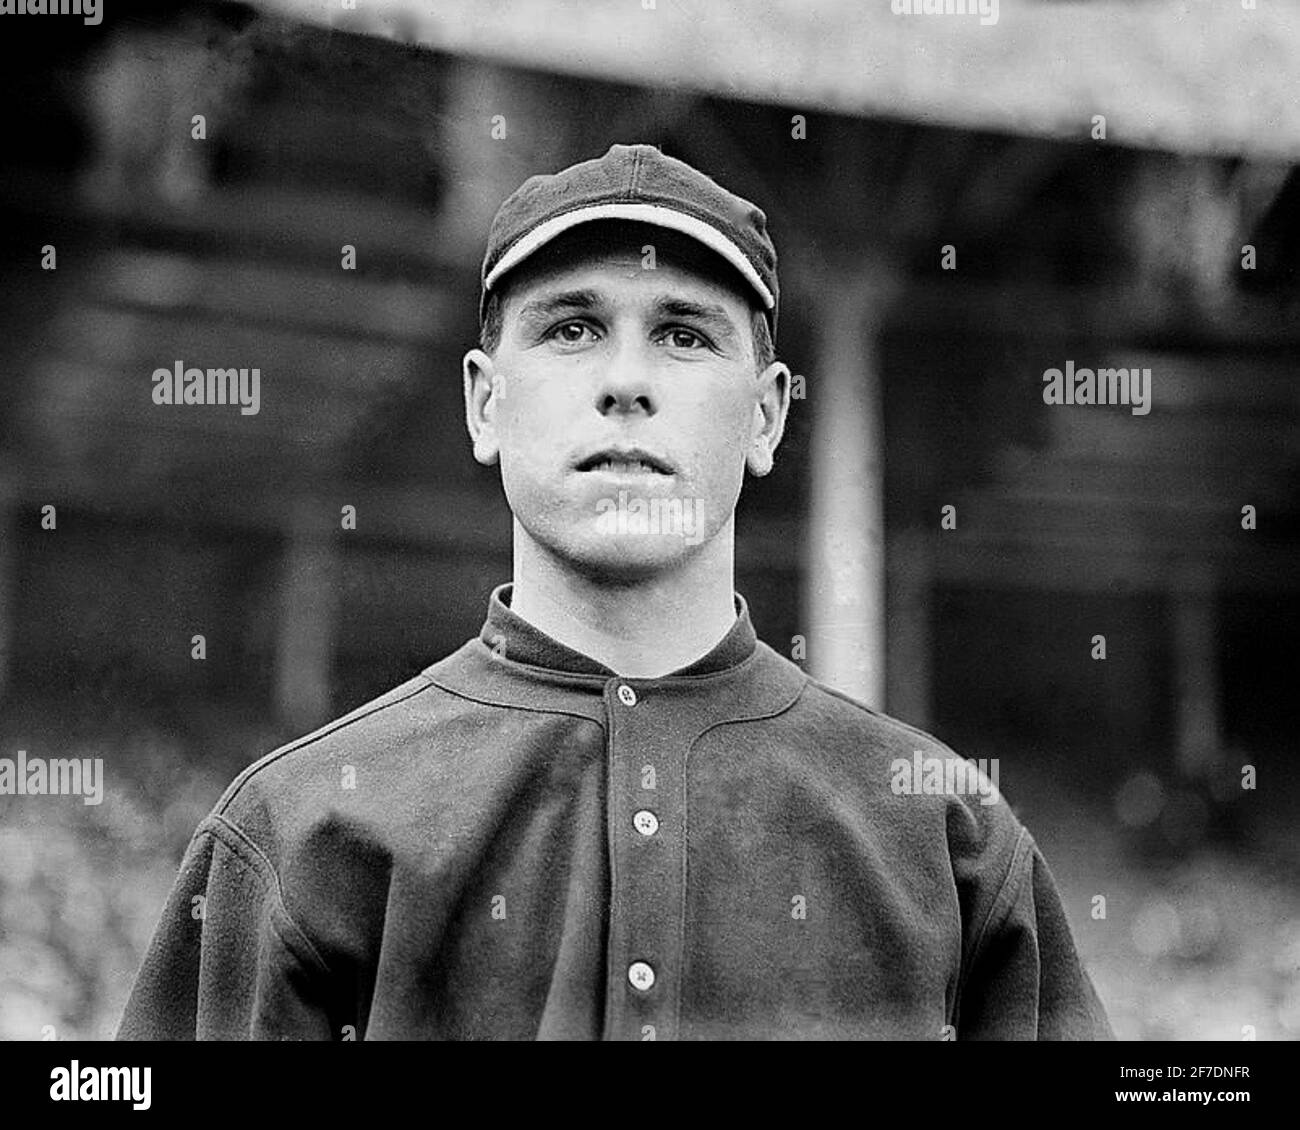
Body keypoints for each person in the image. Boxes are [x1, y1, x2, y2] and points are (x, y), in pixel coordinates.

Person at [117, 143, 1113, 1040]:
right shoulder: (301, 832)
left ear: (766, 415)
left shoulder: (946, 837)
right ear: (483, 401)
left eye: (684, 335)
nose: (626, 380)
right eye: (572, 327)